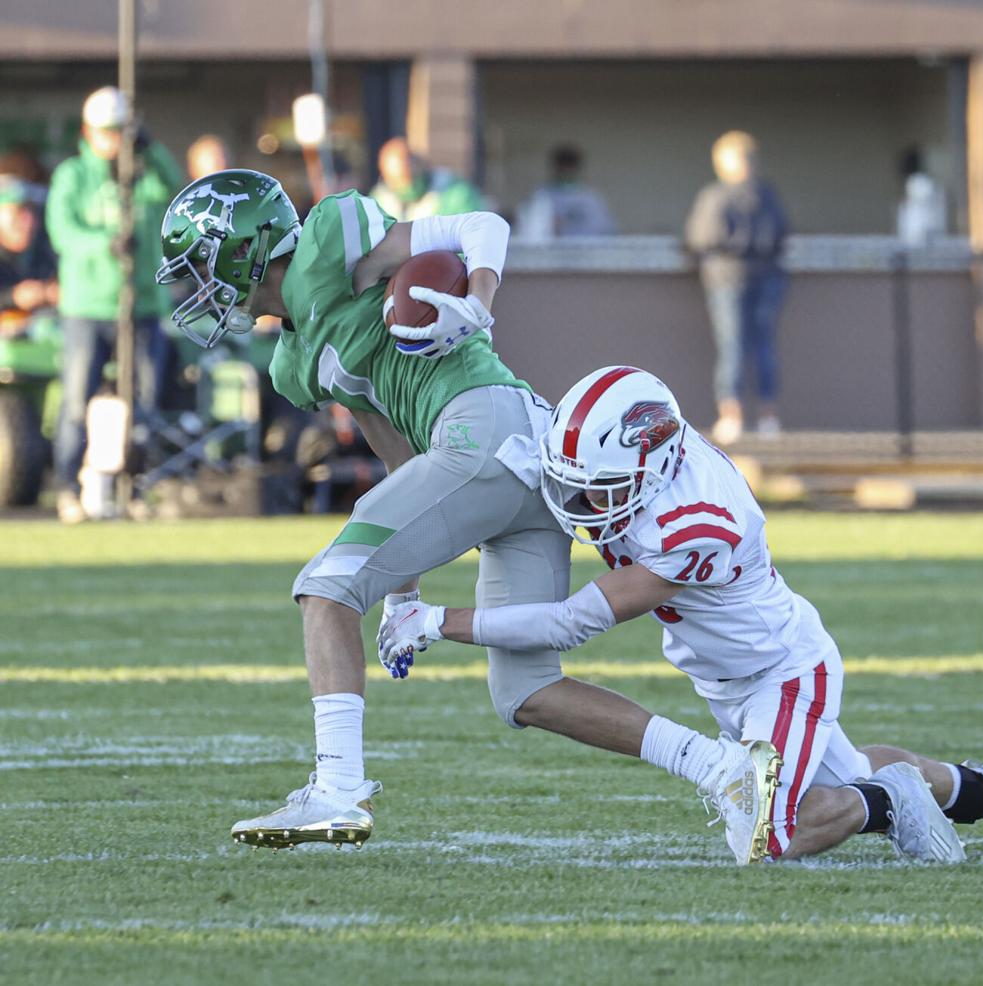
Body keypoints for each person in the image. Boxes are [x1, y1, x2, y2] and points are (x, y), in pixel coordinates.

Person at [156, 170, 774, 860]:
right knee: (528, 692)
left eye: (199, 264)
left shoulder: (331, 241)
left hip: (485, 429)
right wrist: (403, 594)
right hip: (505, 465)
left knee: (325, 588)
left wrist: (477, 302)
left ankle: (337, 789)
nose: (196, 286)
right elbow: (395, 448)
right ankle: (722, 768)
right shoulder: (291, 361)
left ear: (243, 246)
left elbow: (484, 227)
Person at [382, 366, 983, 864]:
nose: (583, 508)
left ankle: (890, 801)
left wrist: (439, 621)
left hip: (783, 673)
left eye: (601, 491)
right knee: (845, 773)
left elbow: (571, 623)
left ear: (653, 470)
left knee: (767, 834)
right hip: (727, 679)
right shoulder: (644, 458)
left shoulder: (696, 522)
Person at [45, 85, 181, 523]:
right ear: (90, 131)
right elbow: (62, 232)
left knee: (145, 402)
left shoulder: (143, 173)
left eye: (121, 130)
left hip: (143, 304)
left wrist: (151, 149)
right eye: (107, 131)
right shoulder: (72, 175)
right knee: (77, 401)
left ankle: (137, 486)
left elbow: (176, 190)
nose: (114, 139)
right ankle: (68, 489)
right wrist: (106, 243)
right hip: (88, 307)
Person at [684, 131, 789, 443]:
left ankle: (734, 417)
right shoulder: (767, 196)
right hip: (765, 276)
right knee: (758, 345)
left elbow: (699, 238)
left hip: (726, 279)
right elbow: (782, 235)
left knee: (733, 346)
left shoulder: (716, 196)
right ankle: (765, 418)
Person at [369, 136, 483, 221]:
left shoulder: (456, 194)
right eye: (397, 182)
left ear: (420, 165)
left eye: (410, 177)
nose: (406, 187)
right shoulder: (379, 201)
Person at [515, 144, 616, 240]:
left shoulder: (590, 198)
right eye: (563, 167)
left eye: (569, 167)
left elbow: (607, 230)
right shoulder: (542, 195)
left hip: (588, 249)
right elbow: (531, 229)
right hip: (554, 250)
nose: (566, 171)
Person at [0, 176, 57, 321]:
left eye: (32, 211)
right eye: (18, 212)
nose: (28, 221)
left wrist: (51, 291)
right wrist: (12, 297)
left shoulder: (47, 248)